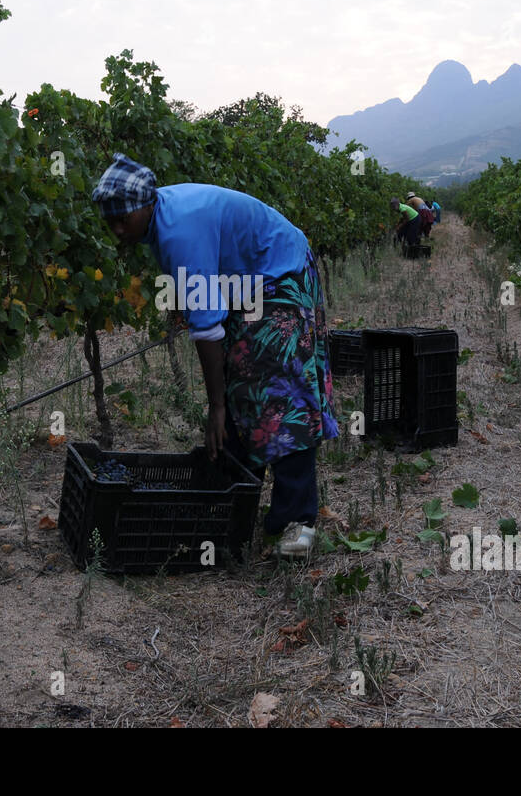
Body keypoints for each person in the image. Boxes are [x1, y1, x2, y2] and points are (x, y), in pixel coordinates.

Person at [92, 153, 339, 558]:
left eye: (124, 218)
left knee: (280, 395)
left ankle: (299, 523)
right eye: (111, 222)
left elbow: (207, 329)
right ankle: (234, 506)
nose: (118, 229)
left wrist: (216, 406)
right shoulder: (161, 215)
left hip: (280, 272)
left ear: (146, 204)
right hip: (249, 283)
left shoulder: (177, 232)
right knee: (245, 383)